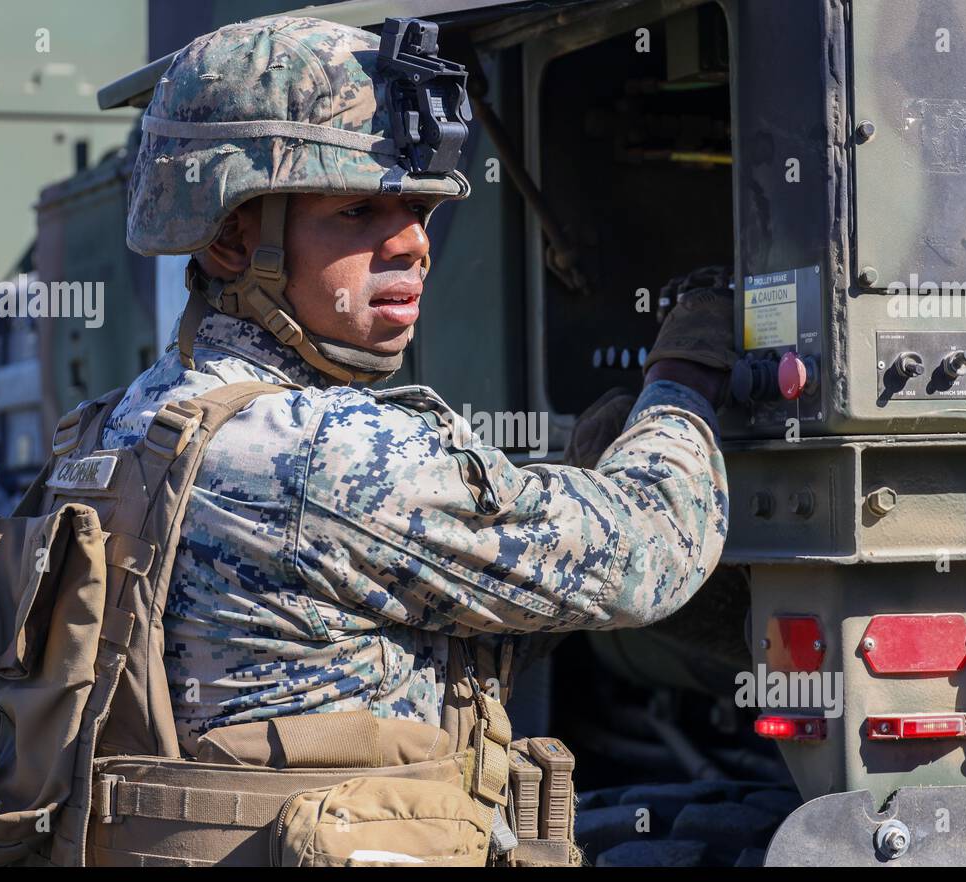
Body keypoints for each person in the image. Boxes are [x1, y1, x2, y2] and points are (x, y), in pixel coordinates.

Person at [103, 13, 736, 758]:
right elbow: (648, 556)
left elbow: (407, 609)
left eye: (421, 209)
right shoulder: (325, 454)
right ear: (233, 237)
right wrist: (681, 382)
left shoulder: (131, 418)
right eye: (358, 210)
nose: (413, 244)